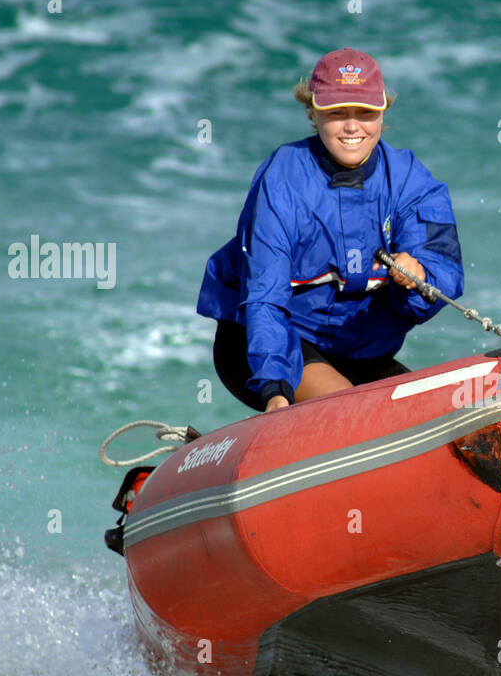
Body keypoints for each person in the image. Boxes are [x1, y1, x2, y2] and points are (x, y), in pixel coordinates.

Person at [197, 48, 464, 412]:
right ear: (312, 112)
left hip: (360, 353)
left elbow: (442, 270)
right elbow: (264, 295)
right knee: (358, 412)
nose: (352, 126)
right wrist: (276, 389)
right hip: (266, 344)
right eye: (337, 113)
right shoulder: (283, 179)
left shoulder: (412, 181)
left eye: (365, 113)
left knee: (429, 414)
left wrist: (419, 277)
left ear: (383, 112)